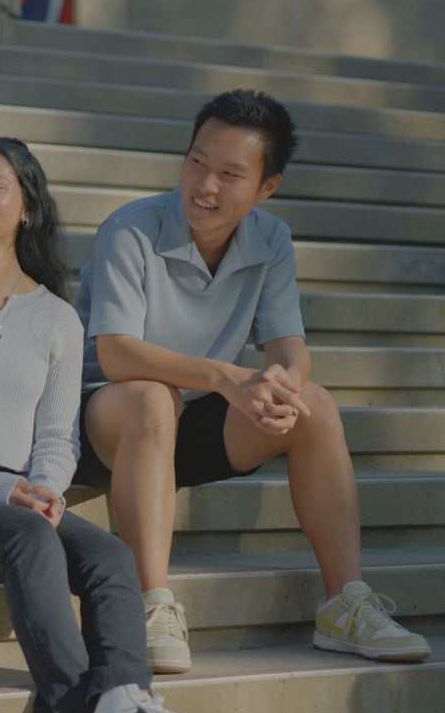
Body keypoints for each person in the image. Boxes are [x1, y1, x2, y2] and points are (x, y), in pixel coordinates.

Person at [74, 89, 431, 674]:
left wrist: (282, 387)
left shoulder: (271, 241)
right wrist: (229, 377)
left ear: (267, 187)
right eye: (196, 162)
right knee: (150, 397)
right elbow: (116, 355)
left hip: (192, 421)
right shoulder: (130, 230)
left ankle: (345, 604)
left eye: (229, 174)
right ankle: (149, 603)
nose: (204, 185)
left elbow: (289, 349)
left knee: (312, 403)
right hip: (109, 422)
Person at [0, 137, 216, 713]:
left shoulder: (56, 316)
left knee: (109, 554)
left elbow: (58, 437)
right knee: (27, 538)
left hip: (19, 500)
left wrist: (46, 493)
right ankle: (72, 711)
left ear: (27, 206)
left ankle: (123, 699)